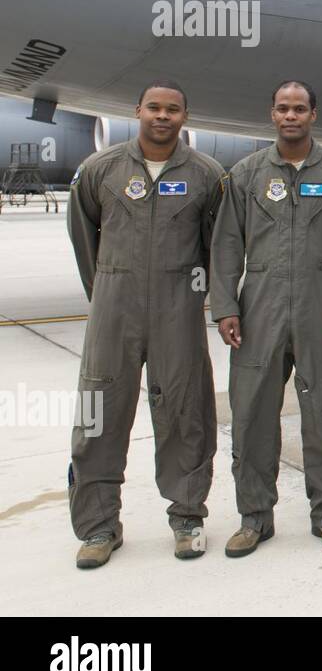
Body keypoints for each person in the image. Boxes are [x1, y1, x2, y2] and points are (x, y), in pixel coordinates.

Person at [211, 80, 322, 557]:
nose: (290, 116)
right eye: (283, 108)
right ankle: (254, 517)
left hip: (321, 309)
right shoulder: (245, 174)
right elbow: (226, 245)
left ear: (313, 115)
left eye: (299, 108)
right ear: (272, 114)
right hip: (258, 307)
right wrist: (225, 307)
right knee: (252, 415)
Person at [66, 80, 225, 567]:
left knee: (185, 408)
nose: (162, 116)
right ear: (137, 110)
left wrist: (196, 293)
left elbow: (215, 245)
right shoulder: (101, 169)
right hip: (114, 305)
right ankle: (97, 528)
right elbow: (83, 236)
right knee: (99, 412)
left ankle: (187, 517)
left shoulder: (206, 175)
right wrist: (109, 289)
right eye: (154, 107)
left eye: (172, 109)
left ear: (184, 116)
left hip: (179, 305)